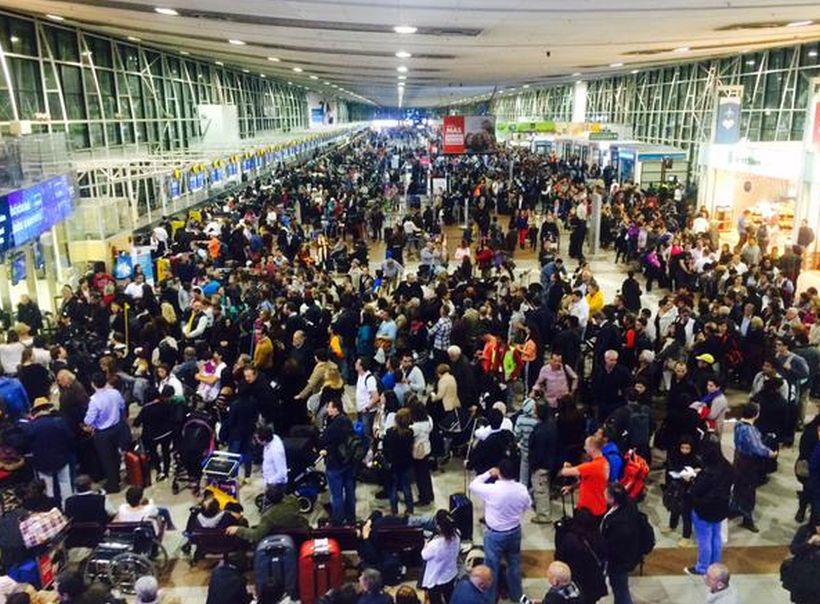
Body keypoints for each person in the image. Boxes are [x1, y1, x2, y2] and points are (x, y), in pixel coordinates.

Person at [468, 459, 531, 604]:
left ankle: (489, 599)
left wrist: (488, 473)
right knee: (514, 564)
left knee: (491, 567)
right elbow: (527, 505)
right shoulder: (521, 488)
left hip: (495, 534)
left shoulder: (492, 490)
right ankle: (517, 595)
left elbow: (473, 485)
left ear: (499, 473)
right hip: (514, 531)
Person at [686, 440, 733, 576]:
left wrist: (692, 479)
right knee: (716, 536)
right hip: (721, 507)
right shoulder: (727, 467)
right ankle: (715, 563)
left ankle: (702, 567)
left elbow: (696, 491)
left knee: (704, 538)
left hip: (704, 508)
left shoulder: (707, 474)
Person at [732, 402, 778, 532]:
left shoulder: (738, 425)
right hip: (749, 463)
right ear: (756, 414)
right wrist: (771, 453)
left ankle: (736, 509)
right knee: (748, 490)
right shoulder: (749, 430)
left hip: (739, 459)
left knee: (739, 486)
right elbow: (757, 448)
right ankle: (747, 518)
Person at [25, 396, 74, 505]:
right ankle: (69, 508)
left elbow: (27, 445)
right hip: (61, 458)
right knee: (65, 484)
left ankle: (52, 510)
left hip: (42, 463)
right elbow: (70, 438)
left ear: (36, 411)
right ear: (47, 408)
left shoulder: (31, 427)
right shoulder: (59, 422)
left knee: (48, 489)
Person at [600, 483, 641, 604]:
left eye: (606, 494)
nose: (604, 495)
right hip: (626, 555)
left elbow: (614, 545)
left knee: (620, 589)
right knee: (620, 588)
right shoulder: (629, 504)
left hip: (619, 561)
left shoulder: (618, 523)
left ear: (612, 499)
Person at [84, 371, 125, 494]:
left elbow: (89, 419)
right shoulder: (115, 393)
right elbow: (122, 406)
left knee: (106, 459)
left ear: (93, 384)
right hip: (117, 427)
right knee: (116, 455)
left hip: (103, 432)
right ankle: (117, 477)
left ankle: (113, 485)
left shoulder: (94, 400)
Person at [319, 398, 357, 526]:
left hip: (335, 463)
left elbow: (323, 439)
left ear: (336, 408)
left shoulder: (335, 423)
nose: (327, 409)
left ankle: (338, 521)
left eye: (329, 407)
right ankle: (351, 518)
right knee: (350, 490)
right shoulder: (347, 420)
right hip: (348, 461)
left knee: (337, 495)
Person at [559, 435, 609, 519]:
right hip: (600, 507)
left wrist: (566, 465)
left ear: (592, 448)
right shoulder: (604, 462)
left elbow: (564, 472)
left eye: (586, 445)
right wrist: (572, 487)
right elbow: (589, 480)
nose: (584, 448)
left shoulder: (592, 466)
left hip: (589, 511)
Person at [420, 510, 460, 604]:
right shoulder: (457, 535)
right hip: (450, 573)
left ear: (438, 526)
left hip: (436, 578)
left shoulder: (435, 544)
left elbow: (424, 555)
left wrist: (426, 543)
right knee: (450, 597)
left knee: (436, 600)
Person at [530, 401, 558, 524]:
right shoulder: (552, 425)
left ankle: (543, 515)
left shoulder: (541, 430)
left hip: (541, 464)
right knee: (544, 487)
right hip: (550, 461)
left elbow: (538, 451)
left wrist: (534, 465)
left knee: (540, 490)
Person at [383, 408, 415, 515]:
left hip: (393, 465)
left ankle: (394, 511)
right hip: (406, 464)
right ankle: (410, 510)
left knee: (393, 489)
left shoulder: (390, 433)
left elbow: (385, 449)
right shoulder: (410, 433)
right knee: (407, 488)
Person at [258, 424, 288, 503]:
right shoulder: (273, 438)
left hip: (276, 485)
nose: (256, 440)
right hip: (270, 479)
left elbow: (282, 472)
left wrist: (269, 481)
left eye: (258, 438)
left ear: (264, 440)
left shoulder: (276, 451)